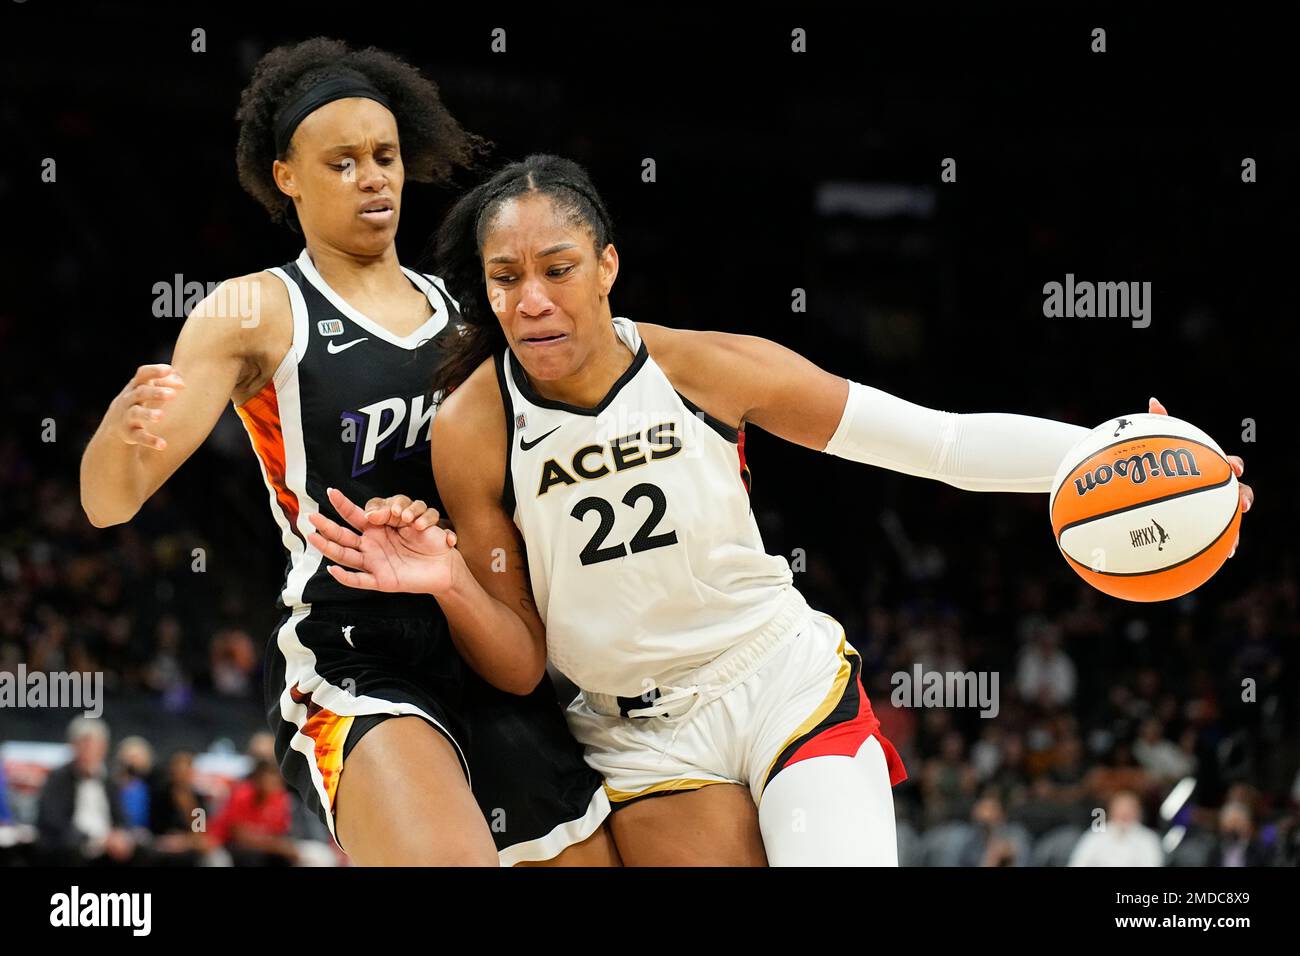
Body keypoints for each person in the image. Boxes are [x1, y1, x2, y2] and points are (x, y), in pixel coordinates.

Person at [306, 154, 1254, 865]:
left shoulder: (705, 367)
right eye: (506, 278)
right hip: (636, 735)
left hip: (779, 682)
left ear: (606, 267)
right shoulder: (473, 425)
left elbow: (943, 445)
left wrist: (1110, 453)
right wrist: (451, 586)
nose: (533, 299)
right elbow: (516, 664)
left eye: (557, 268)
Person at [79, 41, 613, 866]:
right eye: (342, 162)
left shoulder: (466, 313)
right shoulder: (256, 310)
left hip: (488, 639)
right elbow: (111, 501)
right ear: (286, 175)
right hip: (354, 655)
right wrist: (117, 438)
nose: (373, 177)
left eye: (385, 156)